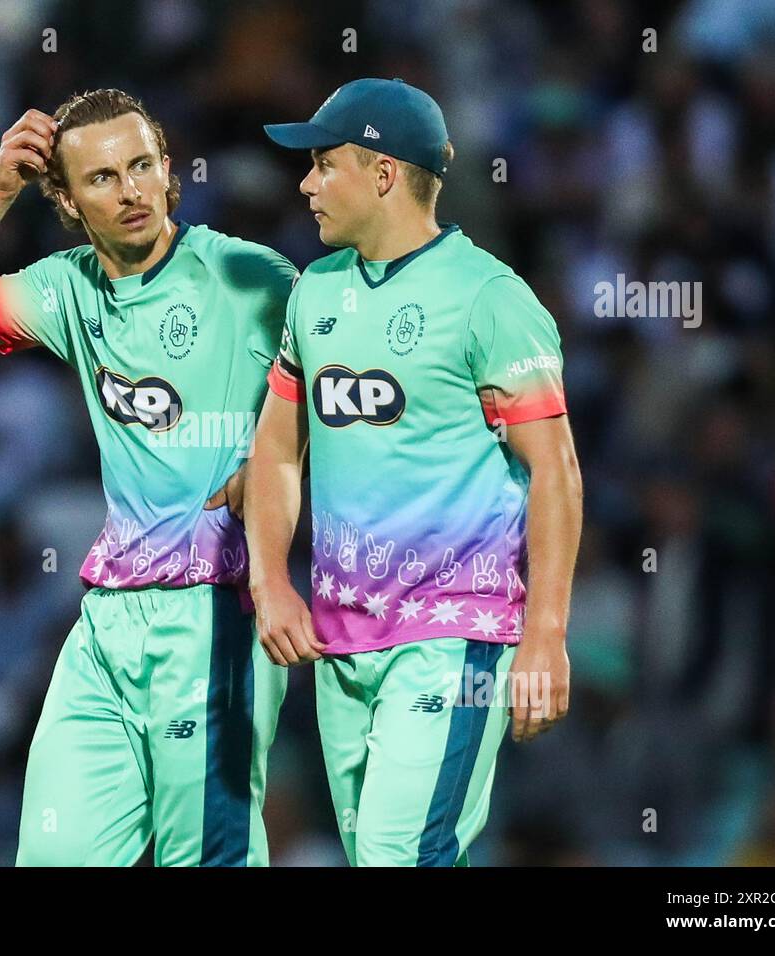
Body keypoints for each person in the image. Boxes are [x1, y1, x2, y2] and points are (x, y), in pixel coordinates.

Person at [0, 90, 297, 866]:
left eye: (142, 165)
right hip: (106, 629)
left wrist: (278, 458)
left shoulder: (248, 277)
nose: (133, 189)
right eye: (103, 177)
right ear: (69, 201)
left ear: (169, 168)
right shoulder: (66, 287)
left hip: (217, 616)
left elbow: (354, 387)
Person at [246, 78, 583, 866]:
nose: (306, 183)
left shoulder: (490, 299)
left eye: (324, 164)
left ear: (384, 173)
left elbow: (556, 472)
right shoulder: (315, 293)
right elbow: (273, 448)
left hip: (453, 640)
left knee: (401, 856)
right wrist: (270, 581)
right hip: (340, 644)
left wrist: (546, 635)